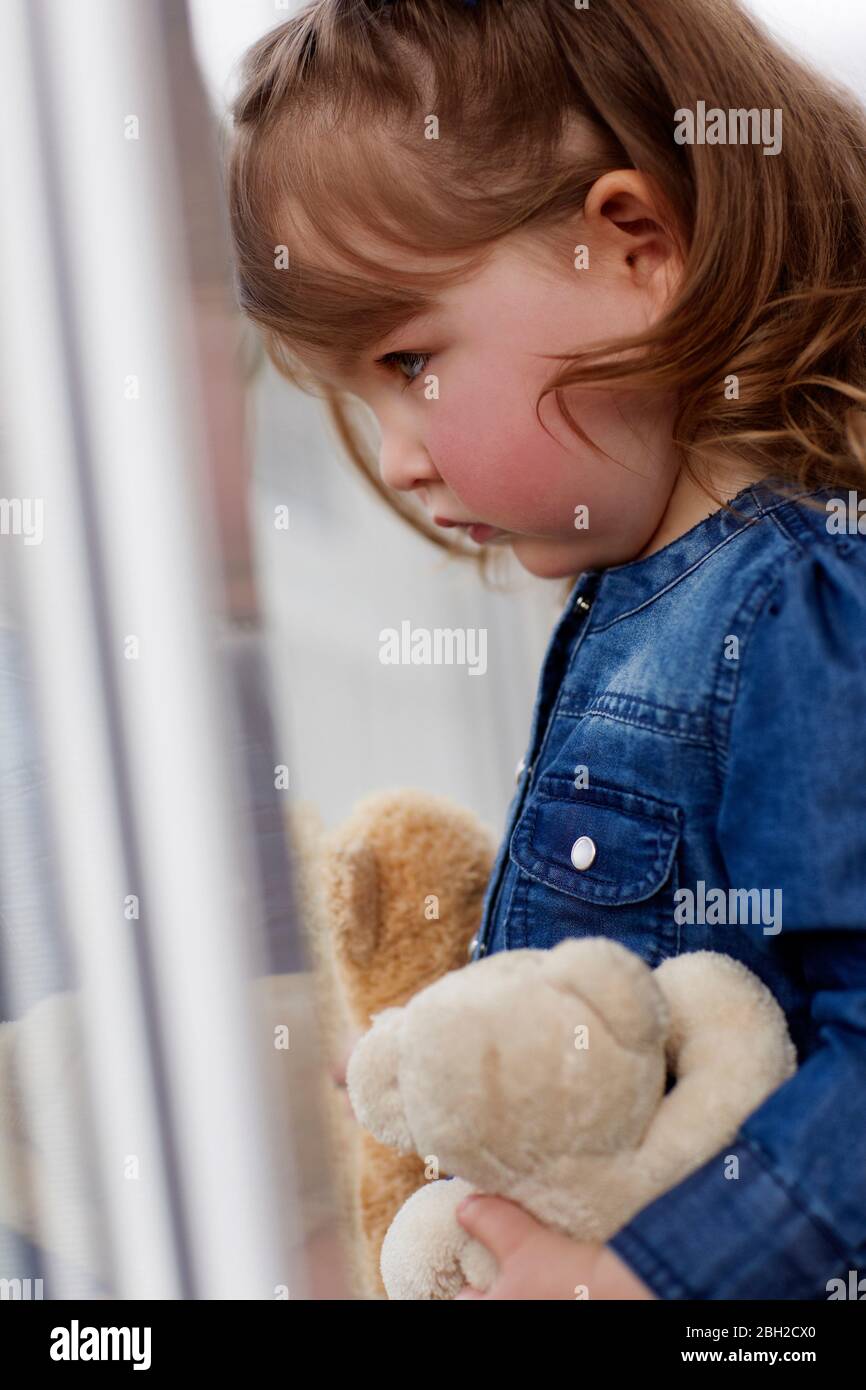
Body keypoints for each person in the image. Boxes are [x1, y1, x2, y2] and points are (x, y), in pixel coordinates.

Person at [224, 0, 866, 1299]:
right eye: (362, 396)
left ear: (632, 248)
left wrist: (641, 1276)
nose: (398, 458)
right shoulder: (641, 600)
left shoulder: (790, 607)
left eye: (410, 360)